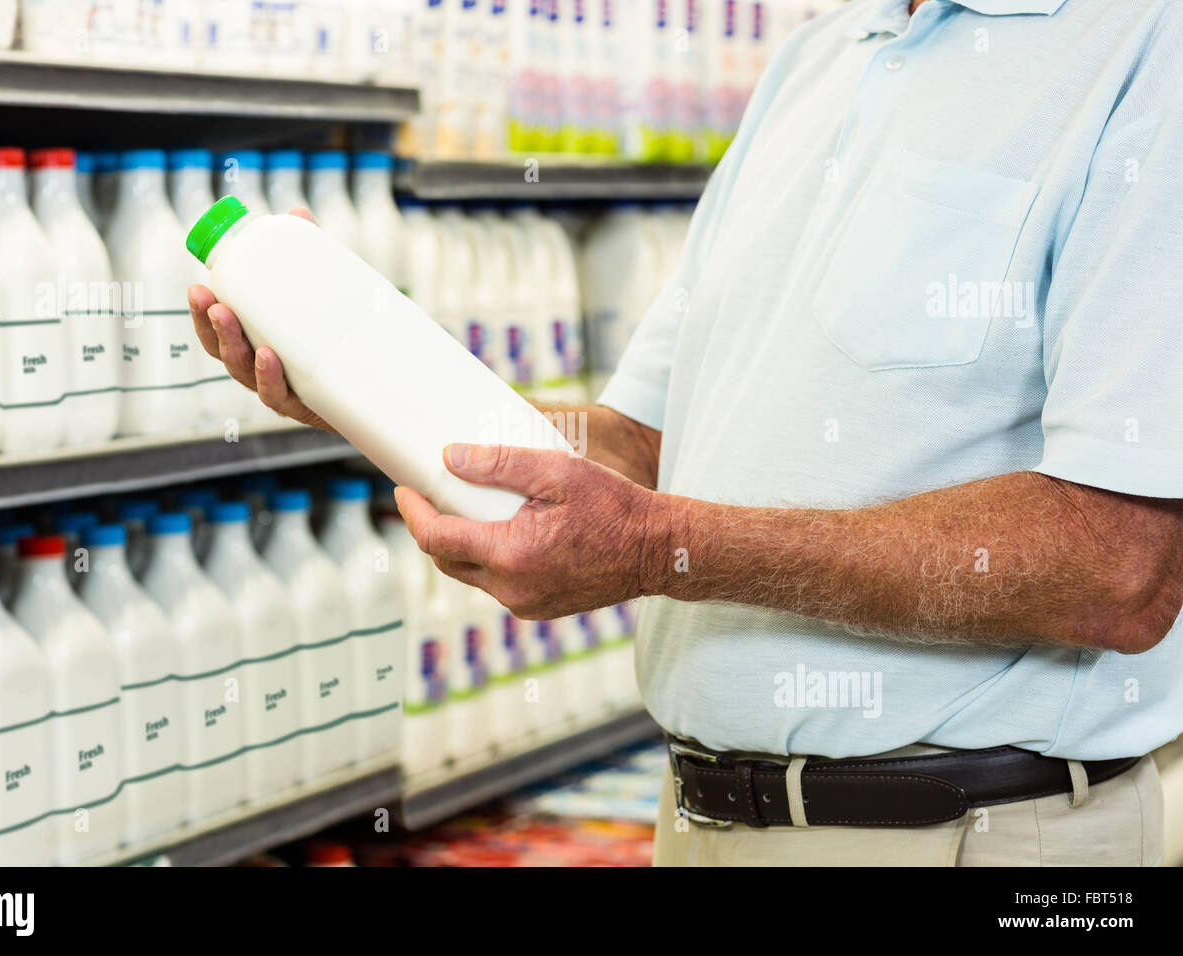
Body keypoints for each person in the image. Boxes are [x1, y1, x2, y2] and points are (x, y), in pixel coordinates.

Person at [190, 0, 1183, 866]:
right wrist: (379, 391)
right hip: (704, 819)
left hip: (971, 830)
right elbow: (639, 444)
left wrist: (659, 543)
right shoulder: (820, 56)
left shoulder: (1146, 48)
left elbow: (1118, 563)